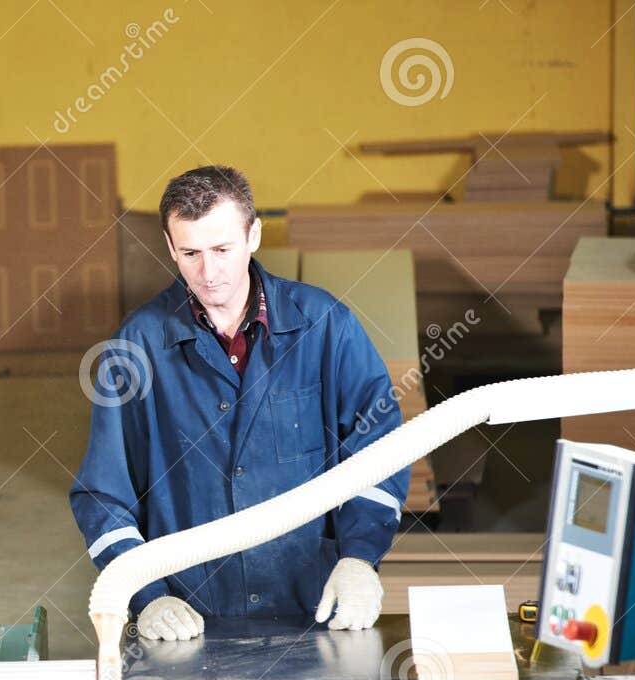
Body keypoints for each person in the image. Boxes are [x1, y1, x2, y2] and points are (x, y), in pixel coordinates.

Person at [71, 165, 409, 640]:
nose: (208, 273)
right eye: (190, 253)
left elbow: (380, 449)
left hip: (313, 604)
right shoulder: (136, 347)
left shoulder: (325, 325)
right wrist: (147, 595)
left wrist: (359, 557)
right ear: (170, 247)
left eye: (222, 250)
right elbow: (103, 493)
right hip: (190, 616)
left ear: (253, 235)